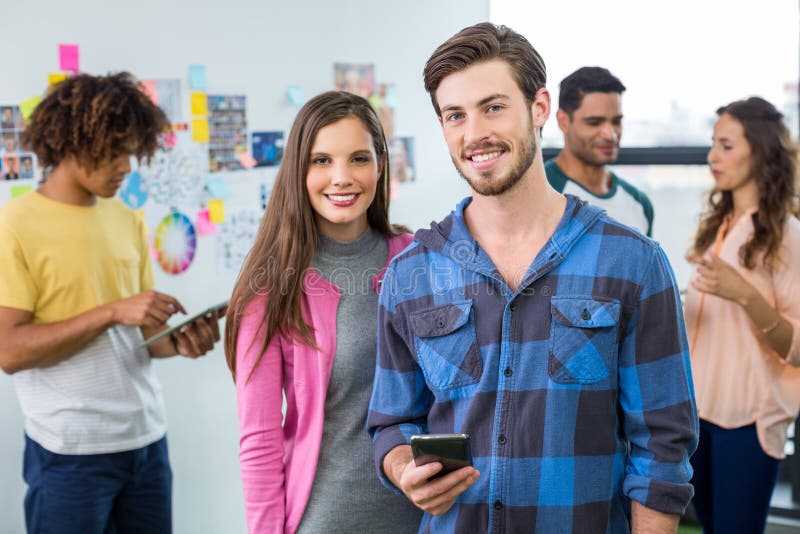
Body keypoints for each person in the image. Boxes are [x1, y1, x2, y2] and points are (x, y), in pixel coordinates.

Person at [366, 23, 698, 533]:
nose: (474, 133)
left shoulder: (632, 263)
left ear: (539, 108)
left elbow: (662, 448)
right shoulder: (410, 275)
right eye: (455, 115)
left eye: (493, 107)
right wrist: (402, 468)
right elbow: (391, 422)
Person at [0, 72, 222, 534]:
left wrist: (179, 342)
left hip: (146, 444)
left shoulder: (126, 219)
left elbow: (142, 340)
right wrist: (110, 312)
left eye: (133, 151)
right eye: (115, 150)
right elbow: (10, 351)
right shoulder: (14, 225)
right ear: (73, 139)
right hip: (69, 455)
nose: (126, 165)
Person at [225, 91, 421, 534]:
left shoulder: (415, 260)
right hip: (326, 519)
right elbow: (259, 439)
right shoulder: (269, 287)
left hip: (424, 517)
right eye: (321, 161)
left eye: (357, 158)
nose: (341, 178)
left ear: (380, 164)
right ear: (299, 169)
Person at [684, 97, 800, 533]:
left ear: (761, 150)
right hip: (699, 416)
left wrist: (745, 295)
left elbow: (797, 349)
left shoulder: (786, 236)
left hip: (747, 422)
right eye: (713, 144)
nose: (713, 156)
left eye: (727, 146)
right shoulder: (719, 225)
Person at [545, 67, 654, 236]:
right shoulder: (538, 189)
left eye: (616, 122)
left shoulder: (639, 203)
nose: (610, 135)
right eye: (594, 122)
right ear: (563, 121)